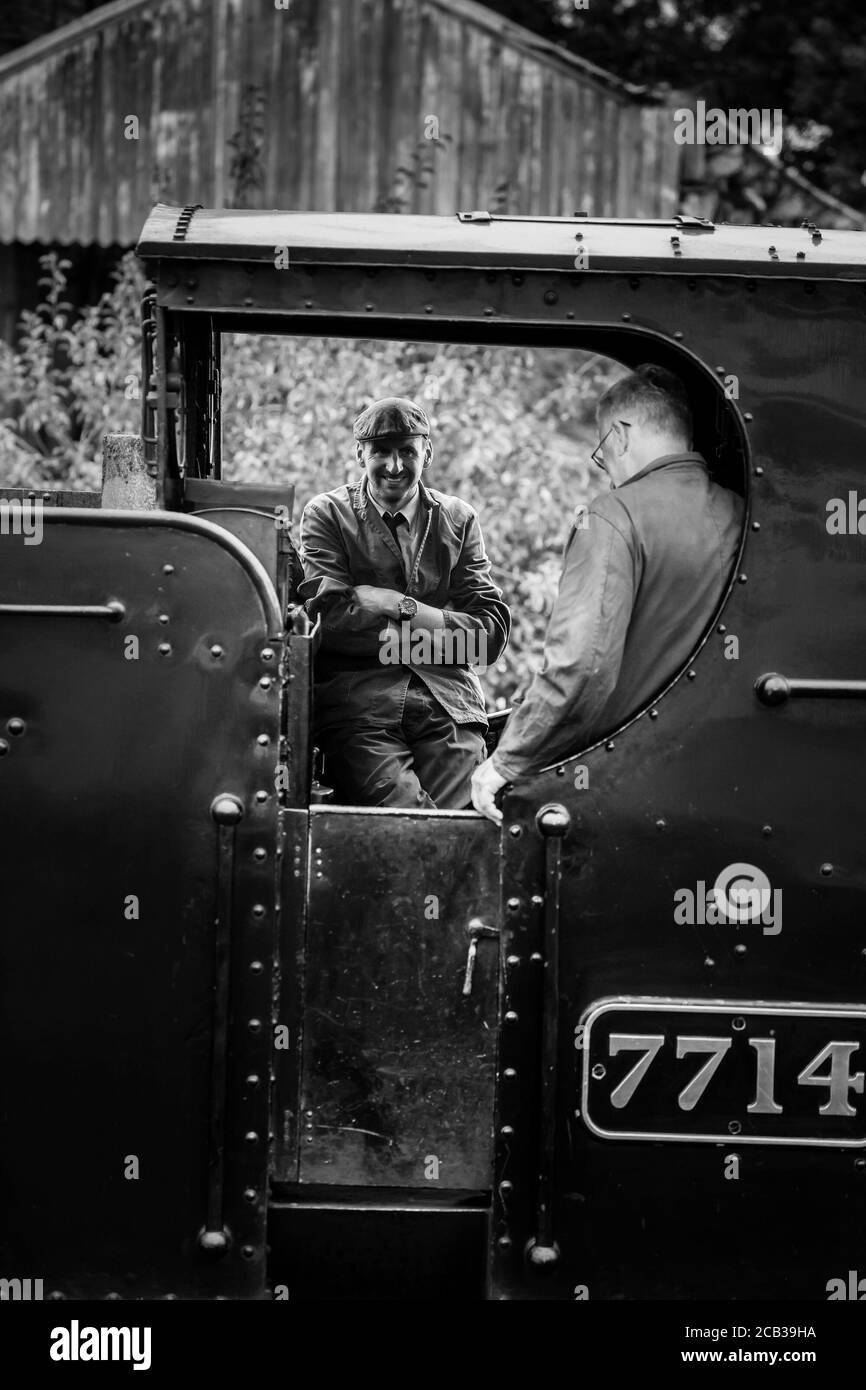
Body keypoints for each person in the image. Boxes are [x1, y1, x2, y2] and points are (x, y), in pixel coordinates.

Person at [471, 364, 744, 822]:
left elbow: (583, 666)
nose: (607, 471)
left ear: (619, 435)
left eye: (601, 453)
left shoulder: (610, 516)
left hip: (621, 787)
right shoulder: (739, 513)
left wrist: (505, 763)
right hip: (709, 775)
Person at [300, 396, 511, 809]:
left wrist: (398, 605)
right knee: (406, 819)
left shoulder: (458, 519)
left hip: (449, 703)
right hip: (360, 707)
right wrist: (444, 632)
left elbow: (487, 639)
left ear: (427, 453)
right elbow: (331, 622)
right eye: (381, 451)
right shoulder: (327, 514)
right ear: (359, 453)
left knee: (468, 818)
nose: (394, 466)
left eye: (407, 452)